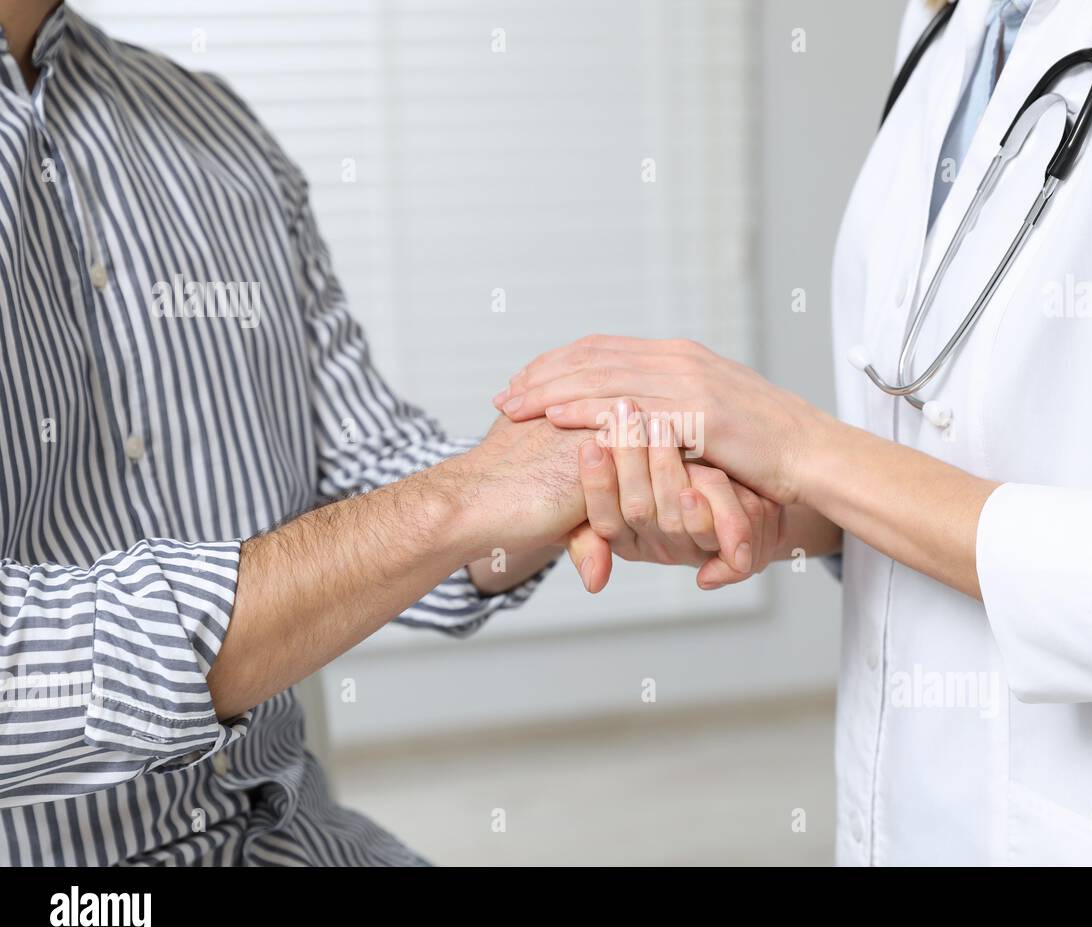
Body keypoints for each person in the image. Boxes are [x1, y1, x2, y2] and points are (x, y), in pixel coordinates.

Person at [498, 0, 1092, 865]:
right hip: (904, 803)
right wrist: (765, 500)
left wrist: (803, 450)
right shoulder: (952, 25)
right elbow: (935, 447)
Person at [0, 2, 774, 865]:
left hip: (296, 837)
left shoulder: (214, 129)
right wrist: (462, 501)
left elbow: (368, 468)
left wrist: (582, 468)